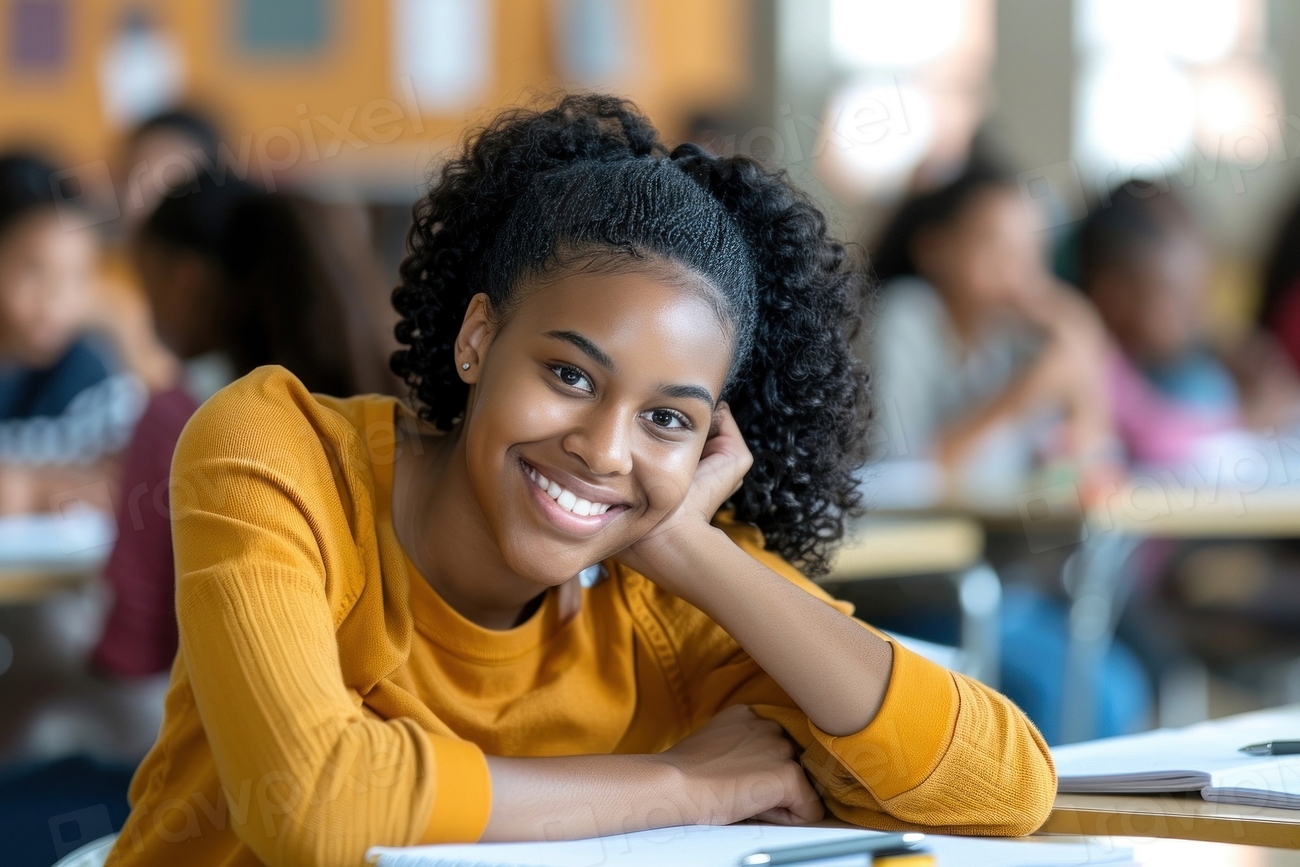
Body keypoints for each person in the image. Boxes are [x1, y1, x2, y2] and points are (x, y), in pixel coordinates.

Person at [105, 95, 1054, 866]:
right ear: (478, 338)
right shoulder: (278, 452)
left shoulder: (660, 589)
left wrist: (688, 548)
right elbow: (313, 802)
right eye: (569, 374)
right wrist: (690, 783)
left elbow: (1006, 786)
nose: (605, 449)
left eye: (668, 419)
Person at [93, 177, 396, 680]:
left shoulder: (177, 418)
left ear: (185, 282)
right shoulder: (381, 407)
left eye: (146, 284)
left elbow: (133, 649)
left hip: (214, 728)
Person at [868, 163, 1117, 502]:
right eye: (998, 251)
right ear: (935, 251)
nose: (1017, 277)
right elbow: (898, 479)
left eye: (1032, 256)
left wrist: (1082, 338)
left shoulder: (1011, 337)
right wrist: (1024, 394)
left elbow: (1091, 468)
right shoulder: (906, 317)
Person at [1079, 181, 1300, 467]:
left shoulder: (1169, 353)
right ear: (1115, 297)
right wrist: (1247, 421)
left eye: (1201, 296)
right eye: (1180, 301)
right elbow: (1152, 438)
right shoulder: (1091, 354)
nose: (1196, 317)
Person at [0, 152, 144, 513]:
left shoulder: (88, 368)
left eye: (77, 277)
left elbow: (143, 481)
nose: (55, 301)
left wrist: (132, 338)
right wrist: (36, 491)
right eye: (34, 273)